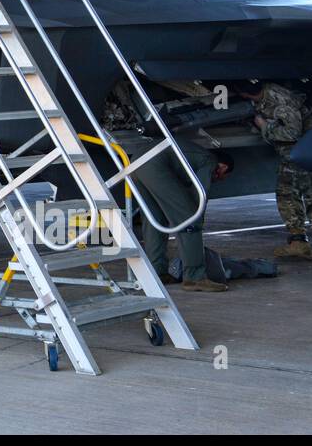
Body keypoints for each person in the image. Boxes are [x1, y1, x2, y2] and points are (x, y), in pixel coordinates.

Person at [100, 81, 233, 293]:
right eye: (223, 175)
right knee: (189, 217)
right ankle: (195, 276)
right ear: (223, 166)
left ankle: (156, 272)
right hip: (154, 165)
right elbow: (200, 196)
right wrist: (195, 218)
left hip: (136, 162)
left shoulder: (193, 153)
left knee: (154, 220)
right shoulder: (209, 160)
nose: (220, 178)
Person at [235, 81, 312, 261]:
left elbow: (292, 133)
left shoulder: (280, 100)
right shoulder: (266, 97)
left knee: (304, 197)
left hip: (303, 153)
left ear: (244, 93)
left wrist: (264, 127)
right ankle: (310, 244)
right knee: (297, 196)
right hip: (297, 154)